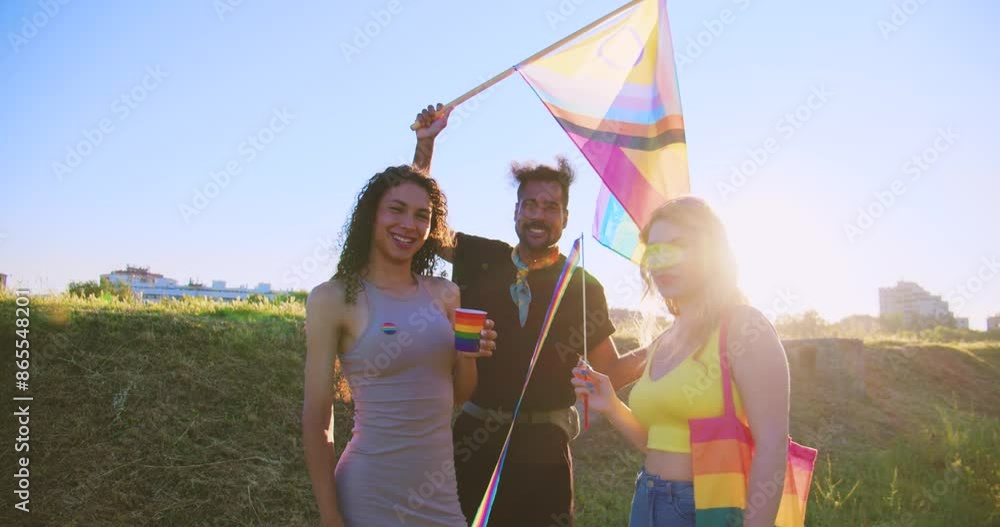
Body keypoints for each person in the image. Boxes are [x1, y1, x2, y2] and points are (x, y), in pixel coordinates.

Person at [412, 104, 651, 526]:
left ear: (564, 217)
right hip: (472, 441)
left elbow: (610, 368)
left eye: (550, 207)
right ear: (516, 211)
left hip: (546, 450)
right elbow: (423, 227)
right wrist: (425, 146)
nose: (539, 214)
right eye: (530, 205)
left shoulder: (584, 287)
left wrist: (672, 339)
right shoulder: (479, 257)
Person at [570, 196, 791, 526]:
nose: (661, 261)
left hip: (707, 507)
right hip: (647, 499)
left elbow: (772, 446)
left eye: (677, 245)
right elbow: (653, 442)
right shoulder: (664, 340)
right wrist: (611, 404)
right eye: (654, 251)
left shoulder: (743, 326)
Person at [301, 165, 499, 527]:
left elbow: (457, 396)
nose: (409, 224)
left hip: (438, 495)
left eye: (422, 215)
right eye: (396, 209)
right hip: (368, 494)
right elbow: (317, 420)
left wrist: (468, 358)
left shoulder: (444, 294)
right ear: (371, 215)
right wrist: (330, 516)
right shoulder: (332, 298)